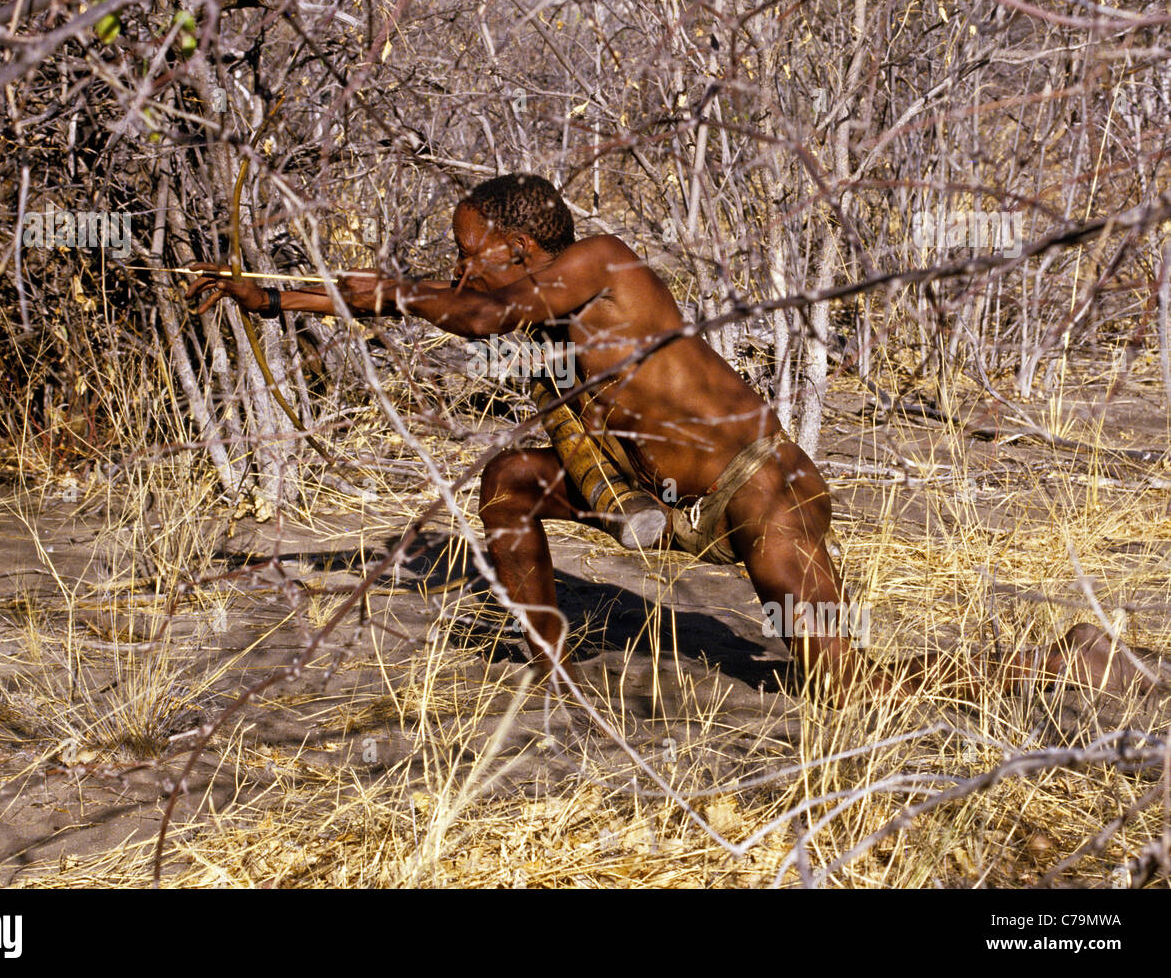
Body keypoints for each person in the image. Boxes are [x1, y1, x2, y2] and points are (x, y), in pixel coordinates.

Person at [188, 173, 1156, 702]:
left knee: (846, 691)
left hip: (761, 490)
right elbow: (426, 299)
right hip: (667, 501)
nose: (456, 264)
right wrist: (267, 294)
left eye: (468, 249)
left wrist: (329, 293)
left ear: (521, 252)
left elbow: (461, 313)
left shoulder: (600, 267)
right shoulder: (555, 313)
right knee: (511, 479)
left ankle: (1061, 658)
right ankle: (551, 674)